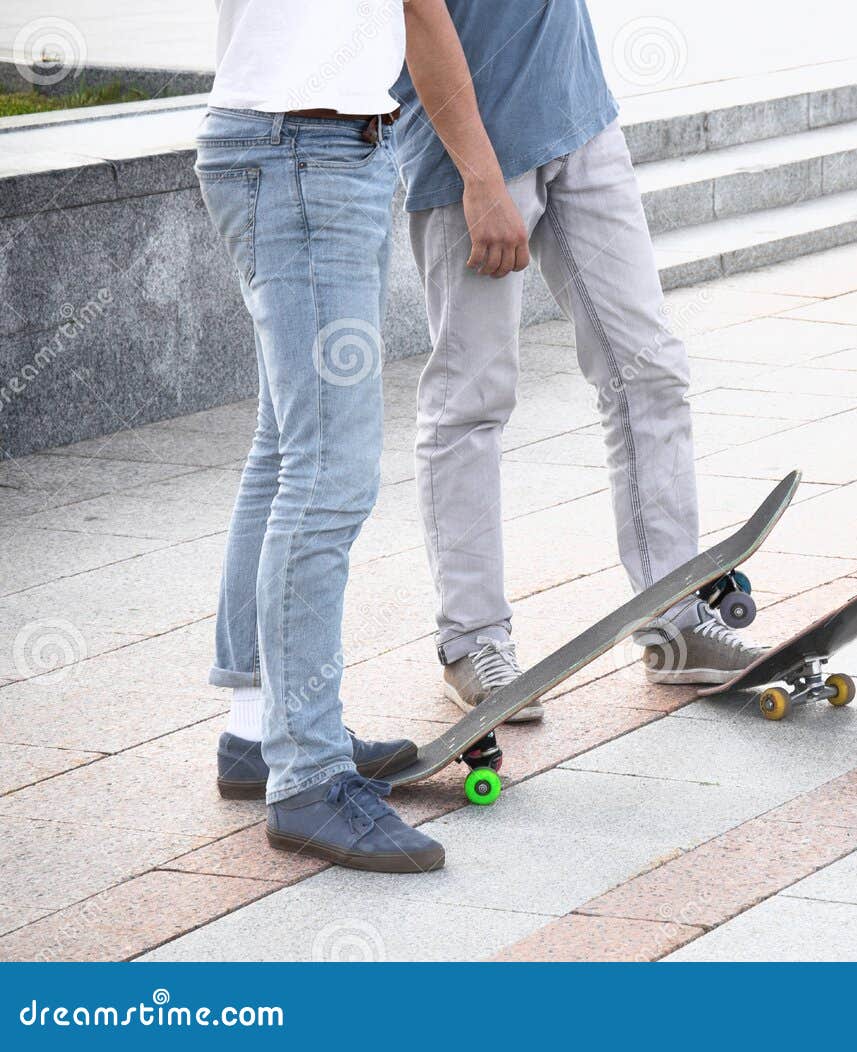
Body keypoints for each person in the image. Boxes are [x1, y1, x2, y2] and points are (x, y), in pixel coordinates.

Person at [200, 0, 526, 872]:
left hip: (282, 142)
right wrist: (483, 175)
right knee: (328, 472)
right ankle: (307, 777)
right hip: (304, 151)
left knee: (284, 451)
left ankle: (258, 730)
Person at [389, 0, 762, 724]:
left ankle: (673, 619)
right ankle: (472, 640)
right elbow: (416, 13)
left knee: (648, 370)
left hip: (580, 119)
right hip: (474, 154)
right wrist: (479, 177)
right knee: (471, 400)